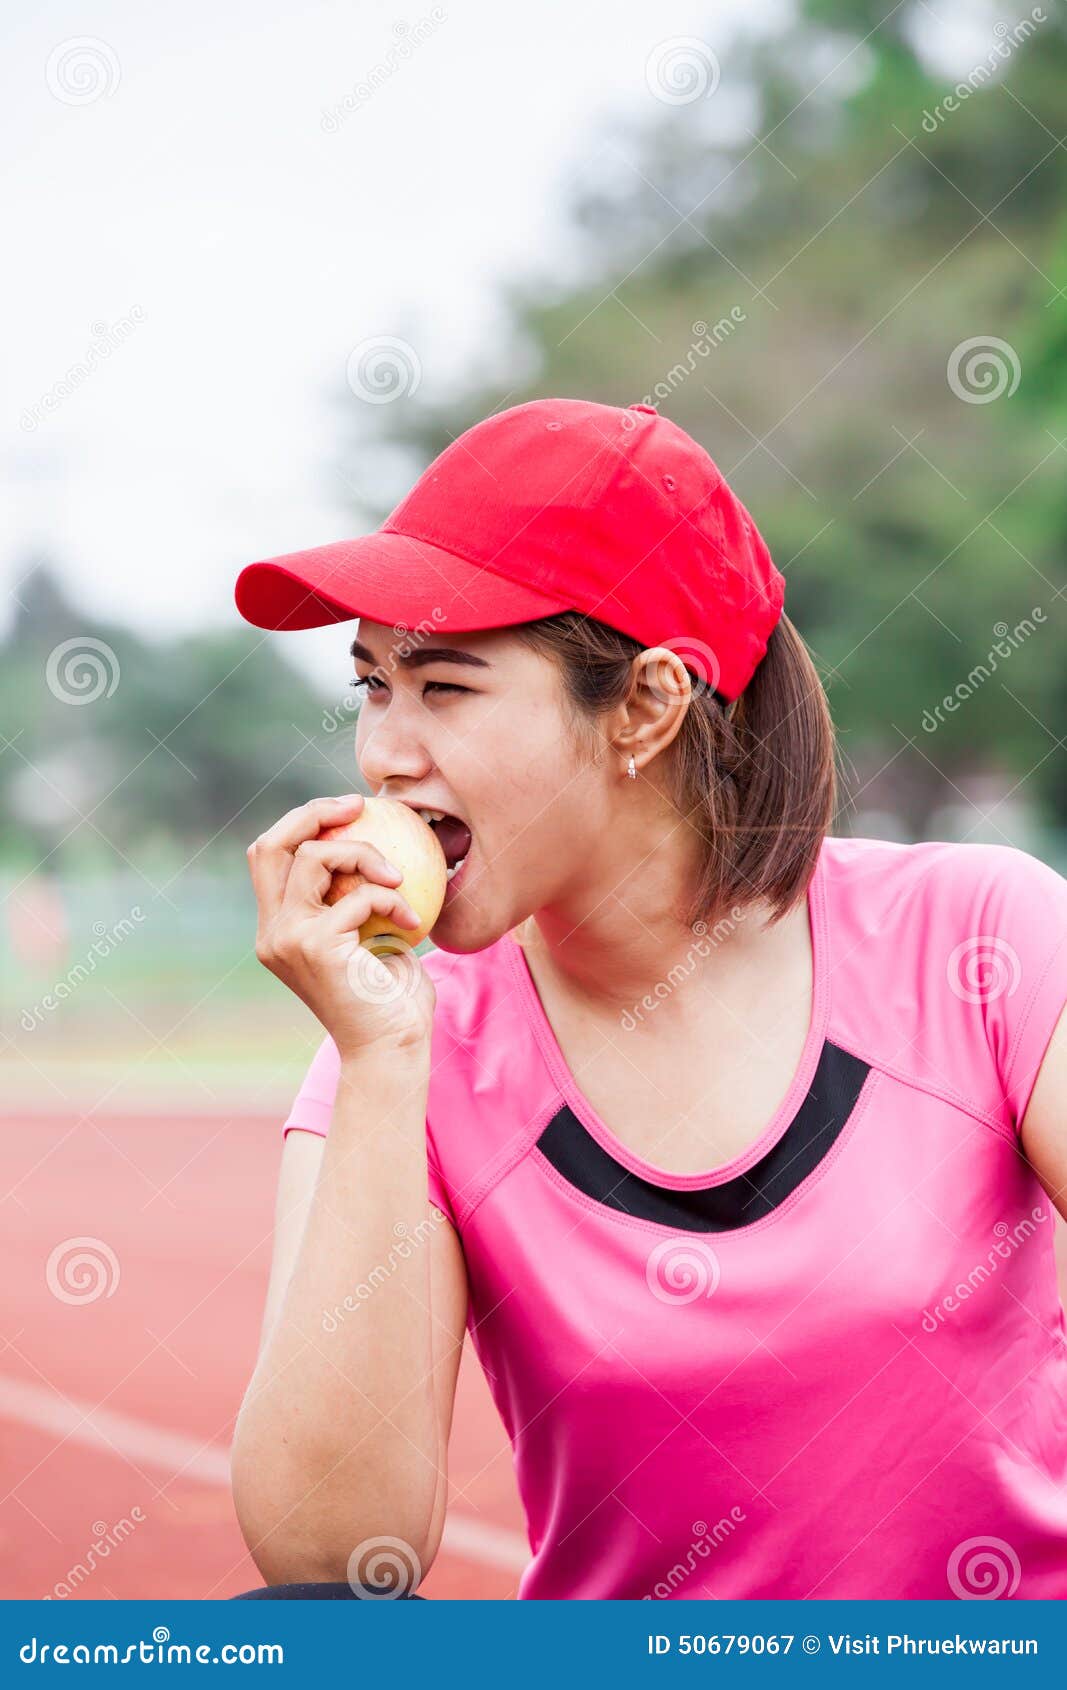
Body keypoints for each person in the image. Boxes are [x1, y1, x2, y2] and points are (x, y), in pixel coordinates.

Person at [228, 397, 1067, 1602]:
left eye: (446, 688)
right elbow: (326, 1559)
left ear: (644, 706)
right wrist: (378, 1062)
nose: (384, 755)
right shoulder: (411, 1044)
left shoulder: (980, 937)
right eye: (373, 686)